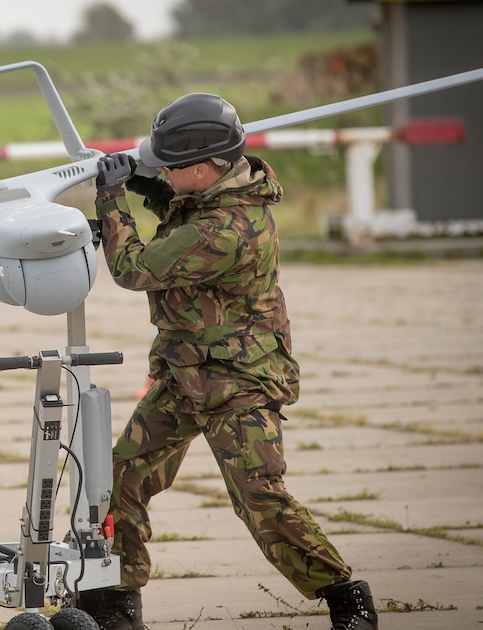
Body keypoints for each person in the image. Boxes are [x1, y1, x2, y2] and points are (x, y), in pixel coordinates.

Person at [80, 93, 379, 630]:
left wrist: (111, 197)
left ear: (202, 168)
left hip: (237, 382)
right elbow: (181, 212)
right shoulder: (213, 197)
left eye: (171, 166)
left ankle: (345, 598)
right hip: (183, 373)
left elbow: (133, 268)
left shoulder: (226, 231)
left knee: (259, 497)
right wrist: (150, 184)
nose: (165, 171)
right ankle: (114, 604)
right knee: (121, 477)